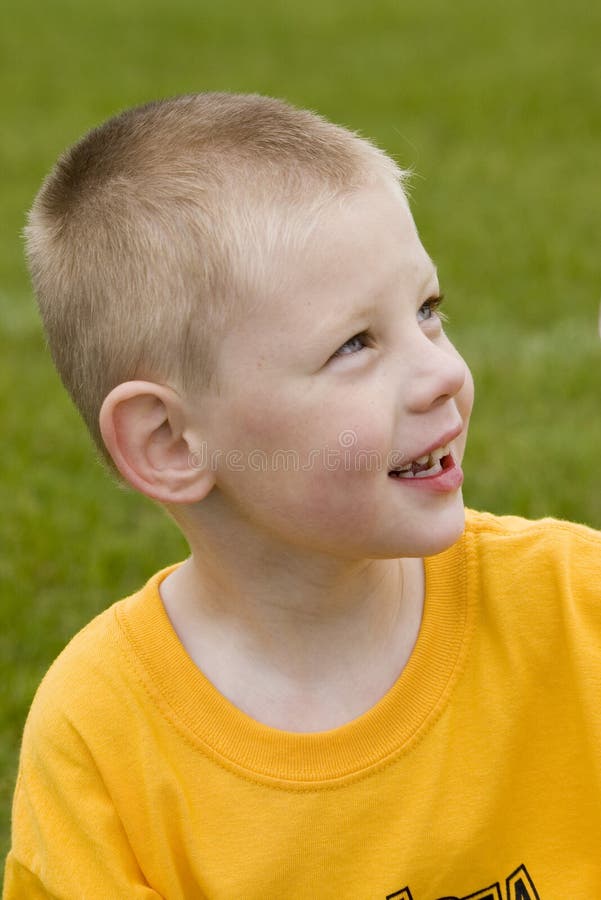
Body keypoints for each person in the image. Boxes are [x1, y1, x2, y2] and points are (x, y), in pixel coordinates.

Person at [4, 93, 600, 900]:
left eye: (427, 311)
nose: (444, 372)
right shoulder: (104, 734)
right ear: (169, 442)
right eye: (354, 344)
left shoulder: (575, 605)